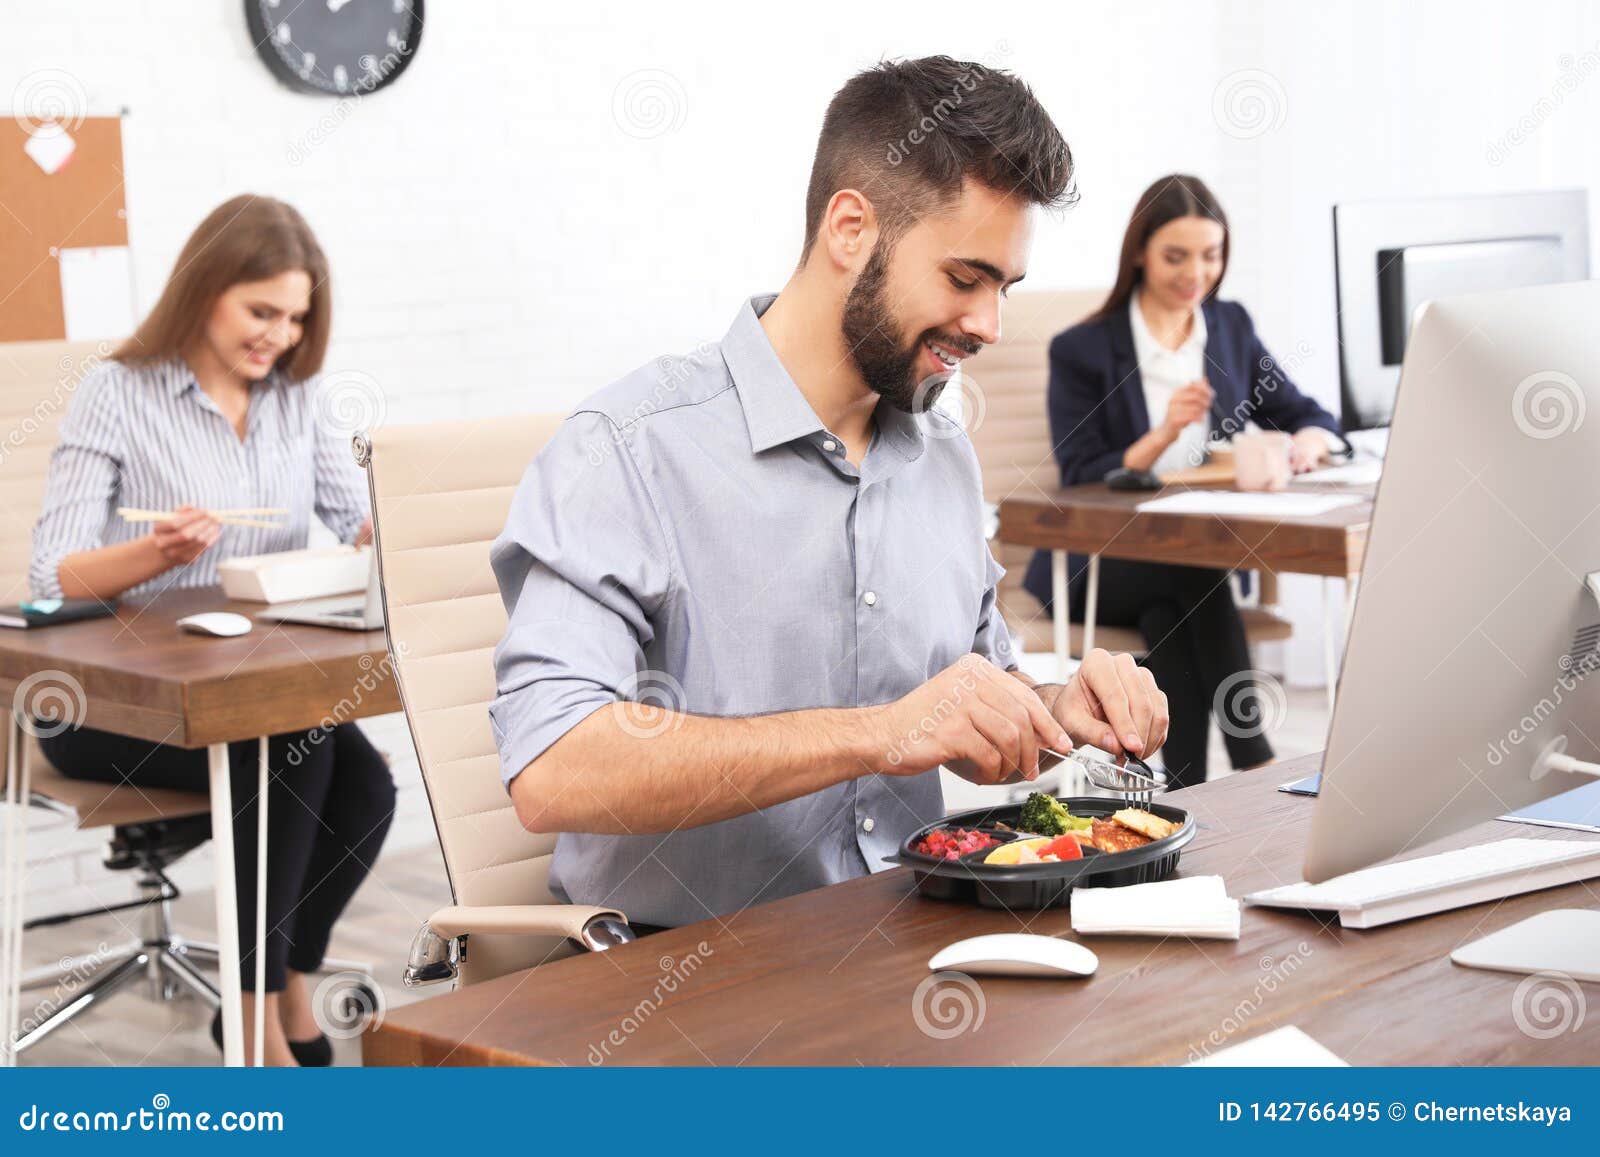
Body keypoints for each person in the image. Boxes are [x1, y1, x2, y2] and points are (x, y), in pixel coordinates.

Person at [490, 57, 1170, 930]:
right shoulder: (630, 450)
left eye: (1005, 287)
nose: (990, 325)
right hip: (683, 988)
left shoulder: (942, 457)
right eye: (964, 279)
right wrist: (875, 734)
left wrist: (1056, 712)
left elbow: (963, 701)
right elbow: (551, 768)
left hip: (908, 950)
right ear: (850, 228)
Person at [28, 195, 396, 1066]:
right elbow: (52, 575)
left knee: (366, 790)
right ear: (206, 289)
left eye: (295, 318)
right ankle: (261, 1031)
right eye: (260, 311)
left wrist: (384, 525)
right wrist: (153, 553)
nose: (279, 334)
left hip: (251, 695)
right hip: (109, 705)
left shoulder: (295, 402)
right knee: (288, 751)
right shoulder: (116, 392)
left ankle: (275, 991)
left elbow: (352, 522)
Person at [1022, 174, 1344, 787]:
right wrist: (1161, 436)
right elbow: (1080, 475)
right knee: (1193, 570)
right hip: (1098, 561)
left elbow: (1308, 413)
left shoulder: (1229, 327)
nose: (1196, 272)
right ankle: (1257, 759)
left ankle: (1184, 787)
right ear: (1140, 251)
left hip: (1186, 570)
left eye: (1211, 255)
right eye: (1176, 256)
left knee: (1177, 599)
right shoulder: (1084, 348)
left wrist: (1308, 439)